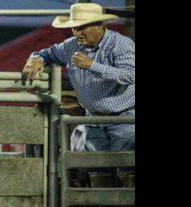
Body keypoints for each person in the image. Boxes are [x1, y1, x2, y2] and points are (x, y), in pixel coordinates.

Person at [20, 3, 134, 169]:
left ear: (99, 25)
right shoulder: (71, 45)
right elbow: (48, 53)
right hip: (92, 120)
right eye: (74, 28)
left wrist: (92, 66)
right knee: (97, 171)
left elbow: (130, 75)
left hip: (124, 119)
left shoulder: (121, 44)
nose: (77, 33)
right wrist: (36, 59)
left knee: (128, 170)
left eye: (82, 28)